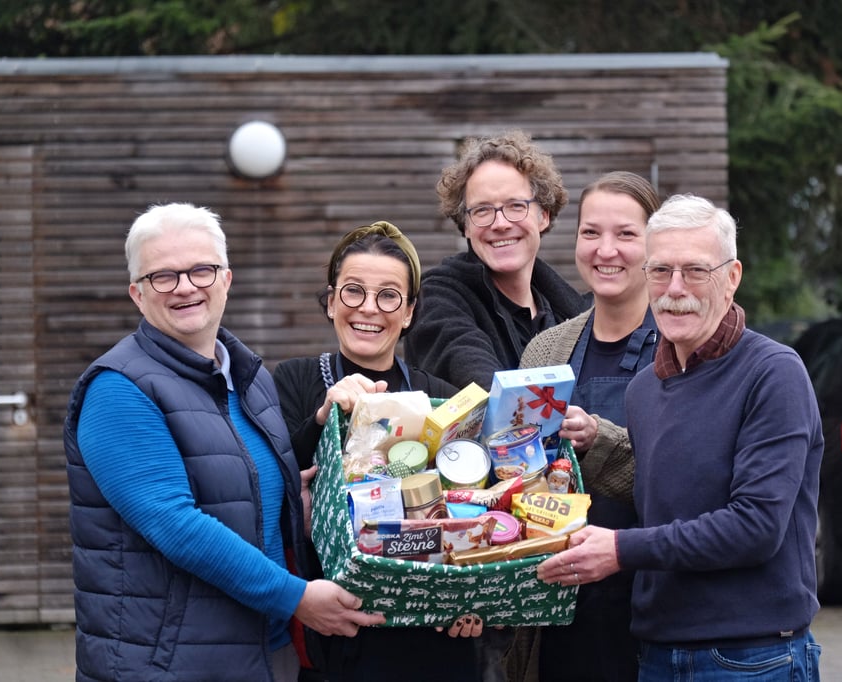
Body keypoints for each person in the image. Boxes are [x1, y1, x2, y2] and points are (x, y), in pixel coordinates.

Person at [63, 203, 385, 682]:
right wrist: (296, 597)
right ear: (137, 294)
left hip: (265, 649)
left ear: (226, 279)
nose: (185, 287)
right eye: (163, 276)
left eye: (202, 269)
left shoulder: (250, 379)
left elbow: (240, 493)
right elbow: (176, 525)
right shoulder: (118, 390)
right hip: (166, 663)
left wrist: (296, 500)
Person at [536, 194, 824, 681]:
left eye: (695, 271)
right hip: (656, 653)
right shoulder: (644, 390)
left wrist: (619, 550)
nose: (674, 289)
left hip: (751, 658)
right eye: (661, 271)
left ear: (732, 277)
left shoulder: (773, 373)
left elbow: (756, 526)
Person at [272, 221, 485, 682]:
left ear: (408, 313)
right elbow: (274, 482)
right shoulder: (294, 381)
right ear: (332, 302)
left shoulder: (441, 398)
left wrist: (470, 600)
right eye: (353, 291)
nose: (369, 308)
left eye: (389, 296)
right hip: (336, 637)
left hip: (432, 641)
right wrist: (323, 417)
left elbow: (470, 507)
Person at [507, 171, 661, 681]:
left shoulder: (679, 348)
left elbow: (689, 481)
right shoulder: (546, 350)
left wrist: (600, 440)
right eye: (591, 232)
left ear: (654, 245)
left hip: (654, 612)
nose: (605, 250)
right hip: (560, 615)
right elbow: (515, 478)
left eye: (626, 234)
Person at [403, 129, 588, 389]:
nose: (500, 223)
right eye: (482, 210)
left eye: (516, 206)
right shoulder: (437, 300)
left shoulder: (571, 313)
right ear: (466, 225)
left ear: (543, 216)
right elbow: (470, 367)